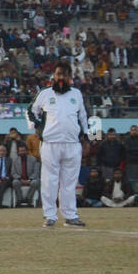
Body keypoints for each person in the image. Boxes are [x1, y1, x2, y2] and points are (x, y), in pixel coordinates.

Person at [30, 60, 91, 227]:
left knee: (69, 183)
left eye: (64, 74)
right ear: (53, 76)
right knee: (49, 181)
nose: (61, 77)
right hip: (50, 144)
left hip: (73, 144)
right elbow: (31, 111)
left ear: (69, 76)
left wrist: (88, 138)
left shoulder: (76, 94)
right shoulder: (45, 94)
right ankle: (50, 215)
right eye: (58, 74)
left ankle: (70, 216)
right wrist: (36, 128)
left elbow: (84, 117)